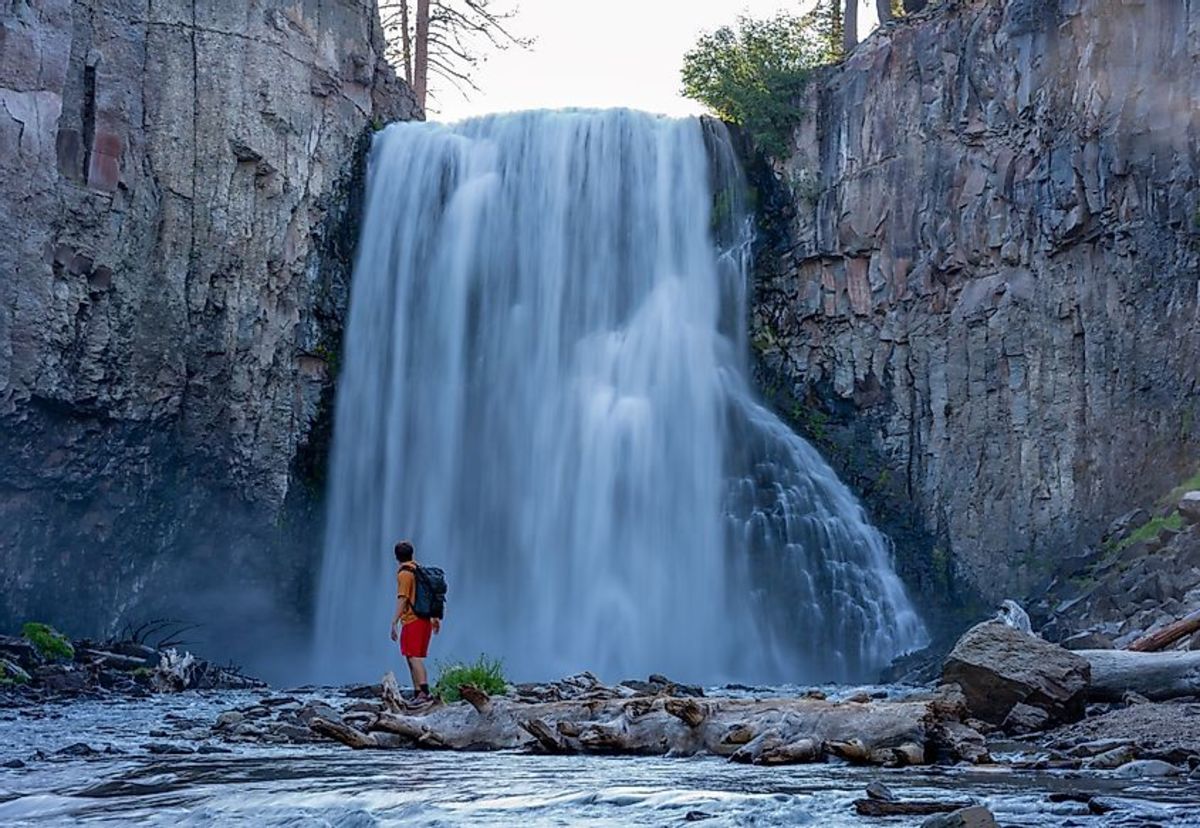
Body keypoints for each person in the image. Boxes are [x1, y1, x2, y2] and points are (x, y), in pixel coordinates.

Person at [389, 540, 440, 703]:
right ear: (412, 554)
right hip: (424, 619)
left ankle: (424, 692)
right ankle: (418, 692)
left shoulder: (405, 574)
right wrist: (434, 617)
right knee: (411, 655)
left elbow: (403, 598)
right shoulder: (418, 570)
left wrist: (394, 621)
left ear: (396, 556)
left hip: (413, 619)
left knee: (414, 657)